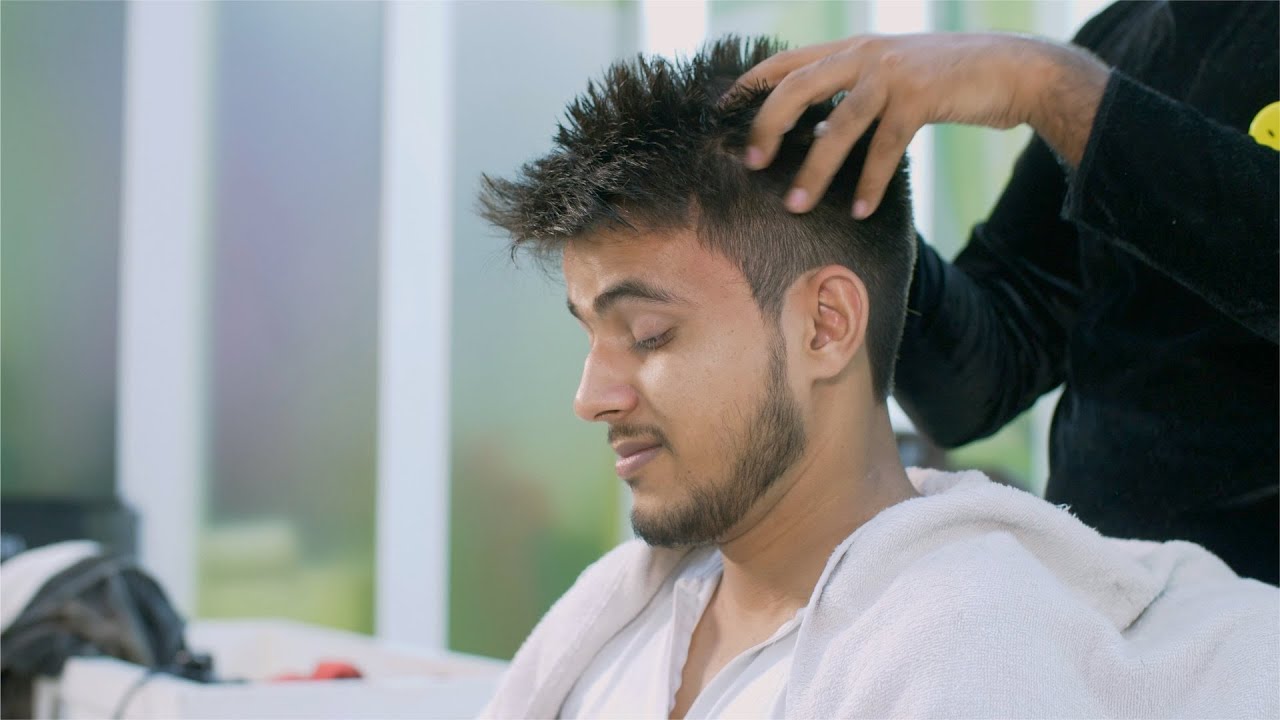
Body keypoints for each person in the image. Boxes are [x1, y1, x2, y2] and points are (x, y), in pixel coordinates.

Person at [475, 36, 1278, 719]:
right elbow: (991, 360)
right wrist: (819, 221)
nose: (588, 399)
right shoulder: (620, 625)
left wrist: (1050, 86)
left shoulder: (966, 653)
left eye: (648, 335)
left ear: (828, 325)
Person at [731, 1, 1279, 583]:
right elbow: (982, 378)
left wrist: (1047, 84)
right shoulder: (1132, 33)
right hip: (1109, 612)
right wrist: (842, 211)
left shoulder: (1070, 78)